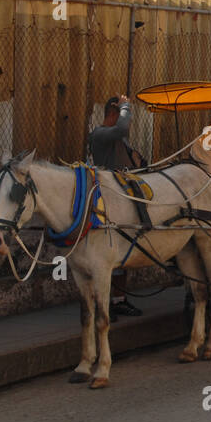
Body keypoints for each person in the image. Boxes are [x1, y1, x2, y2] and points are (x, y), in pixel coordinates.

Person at [88, 95, 145, 319]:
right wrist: (126, 106)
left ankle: (119, 300)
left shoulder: (117, 139)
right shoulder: (100, 134)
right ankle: (104, 302)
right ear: (113, 112)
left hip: (122, 196)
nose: (128, 121)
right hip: (106, 199)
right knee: (108, 256)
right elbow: (121, 129)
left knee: (124, 254)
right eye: (120, 112)